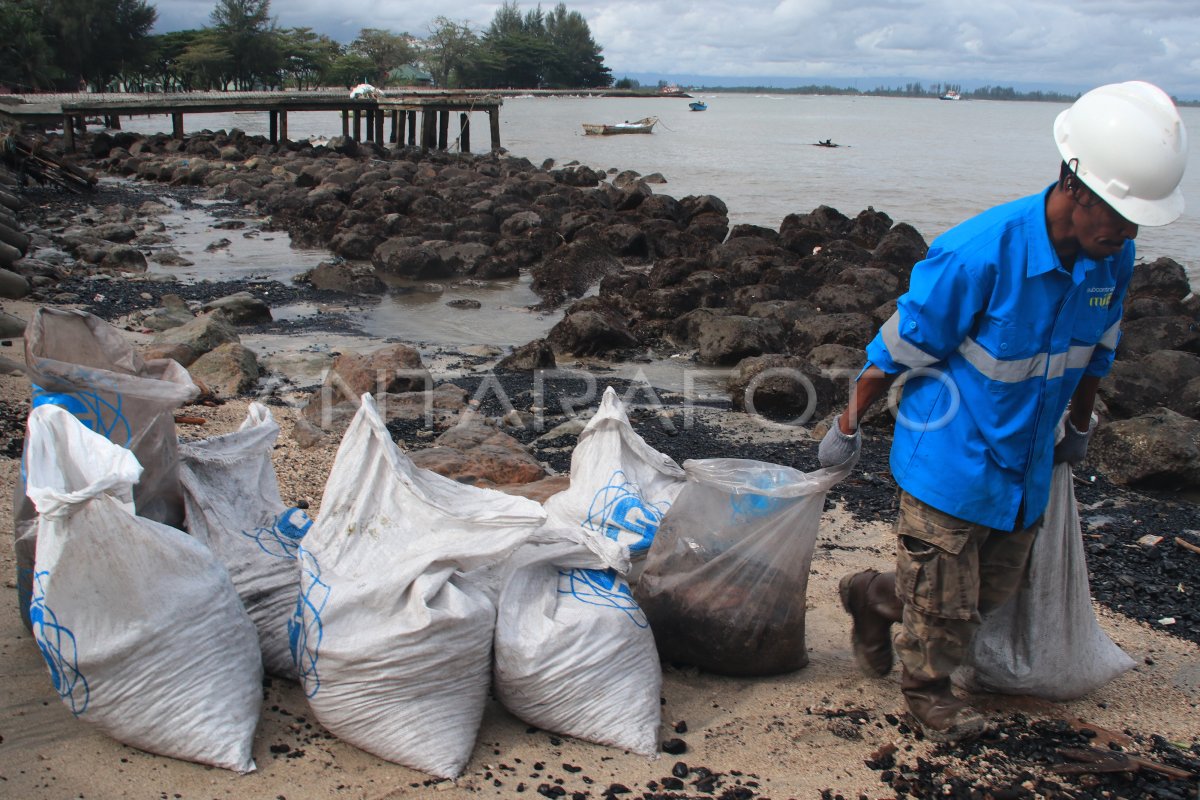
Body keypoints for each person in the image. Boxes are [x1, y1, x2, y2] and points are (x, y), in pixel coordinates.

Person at [817, 80, 1188, 742]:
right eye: (1118, 214)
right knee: (944, 605)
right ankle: (927, 693)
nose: (1129, 231)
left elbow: (1096, 352)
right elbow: (899, 345)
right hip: (951, 454)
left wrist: (1080, 426)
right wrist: (847, 426)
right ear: (1073, 181)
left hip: (1026, 460)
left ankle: (872, 595)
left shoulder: (1113, 258)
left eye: (1137, 220)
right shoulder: (981, 253)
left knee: (987, 593)